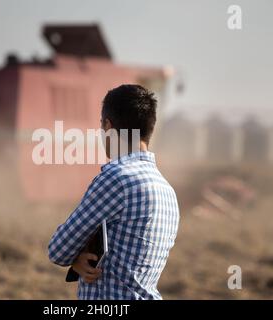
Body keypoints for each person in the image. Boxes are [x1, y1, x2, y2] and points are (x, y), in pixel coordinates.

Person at [48, 84, 180, 300]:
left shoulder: (116, 179)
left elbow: (58, 249)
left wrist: (75, 257)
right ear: (150, 128)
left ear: (108, 126)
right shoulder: (167, 190)